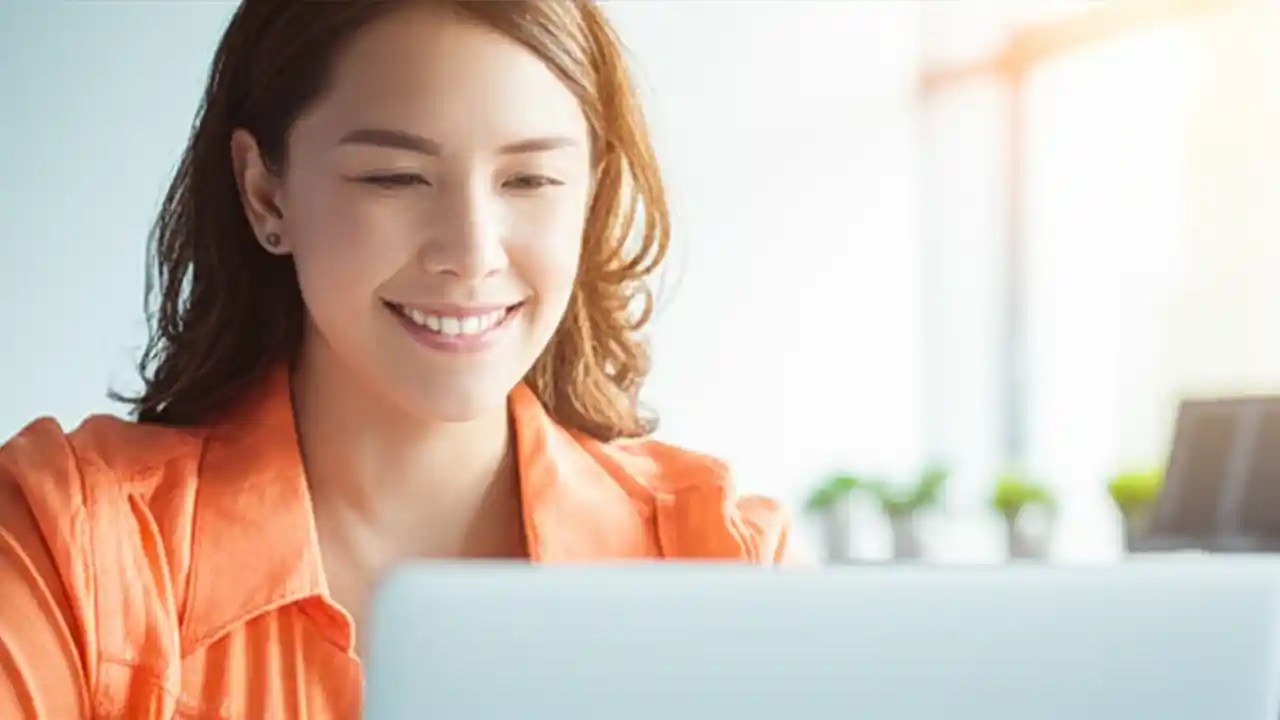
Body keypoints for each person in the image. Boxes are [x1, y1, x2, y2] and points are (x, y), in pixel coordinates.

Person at [0, 0, 797, 717]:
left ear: (590, 197)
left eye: (530, 179)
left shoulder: (722, 559)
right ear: (265, 194)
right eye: (395, 177)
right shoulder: (69, 548)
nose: (471, 254)